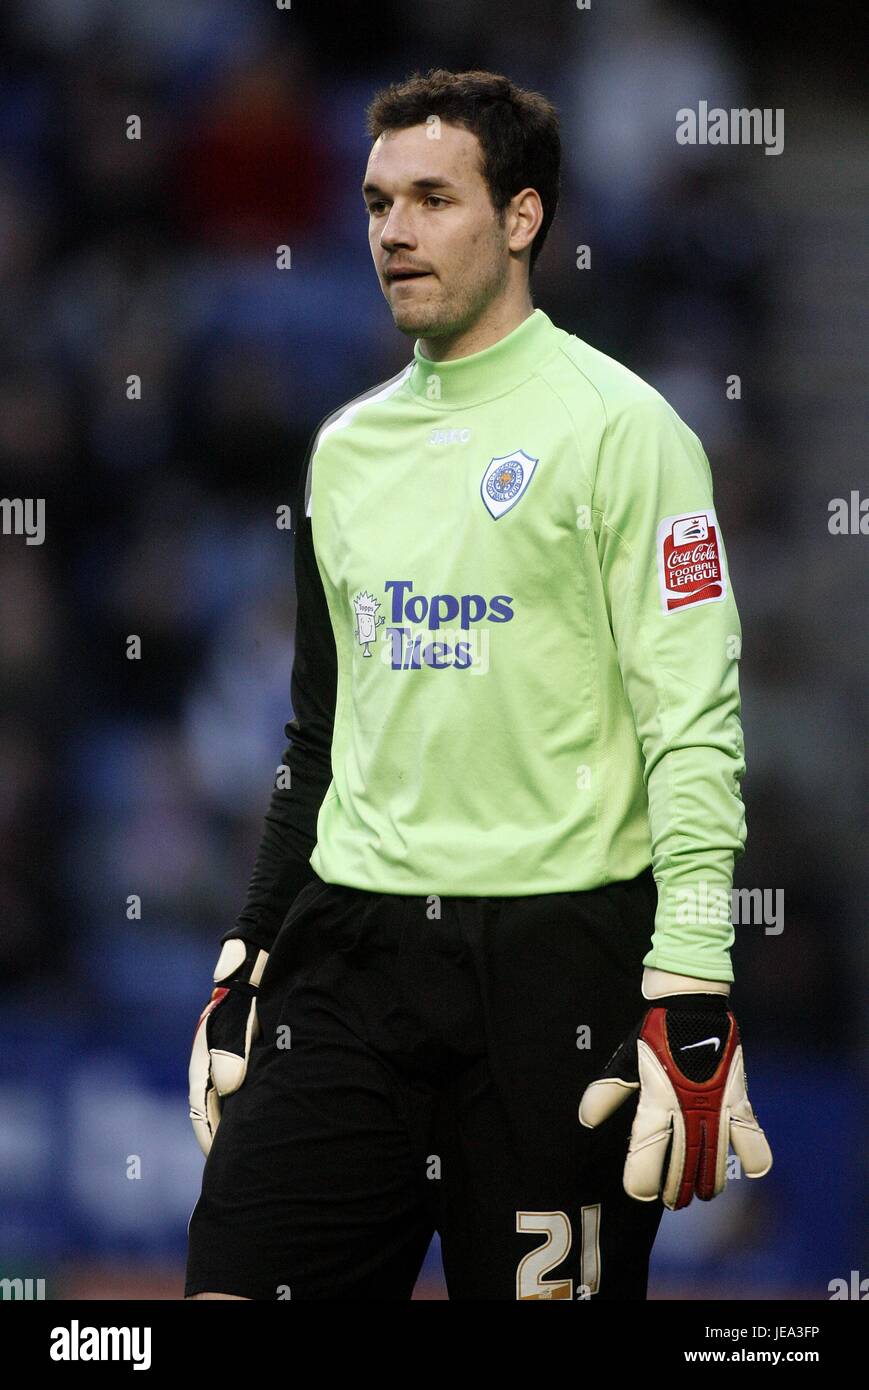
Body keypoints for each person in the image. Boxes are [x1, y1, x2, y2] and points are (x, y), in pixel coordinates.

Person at [185, 67, 772, 1302]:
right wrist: (248, 949)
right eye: (375, 201)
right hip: (347, 954)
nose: (392, 231)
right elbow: (318, 730)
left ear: (520, 219)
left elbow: (694, 726)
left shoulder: (628, 430)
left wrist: (690, 984)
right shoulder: (345, 451)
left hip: (559, 963)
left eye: (432, 198)